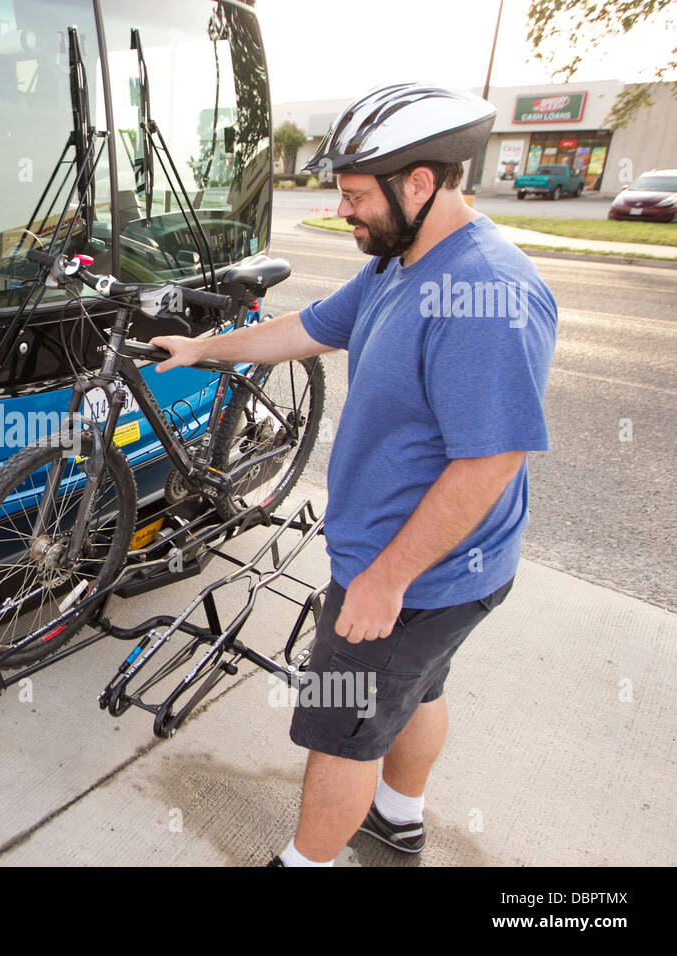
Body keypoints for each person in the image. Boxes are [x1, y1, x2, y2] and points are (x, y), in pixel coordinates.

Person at [150, 83, 557, 867]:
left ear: (421, 182)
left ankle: (303, 863)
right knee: (416, 691)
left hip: (411, 578)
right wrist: (203, 351)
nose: (343, 211)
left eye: (356, 195)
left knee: (342, 728)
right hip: (431, 579)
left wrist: (386, 581)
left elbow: (491, 461)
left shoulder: (485, 294)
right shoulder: (400, 261)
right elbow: (306, 328)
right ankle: (400, 819)